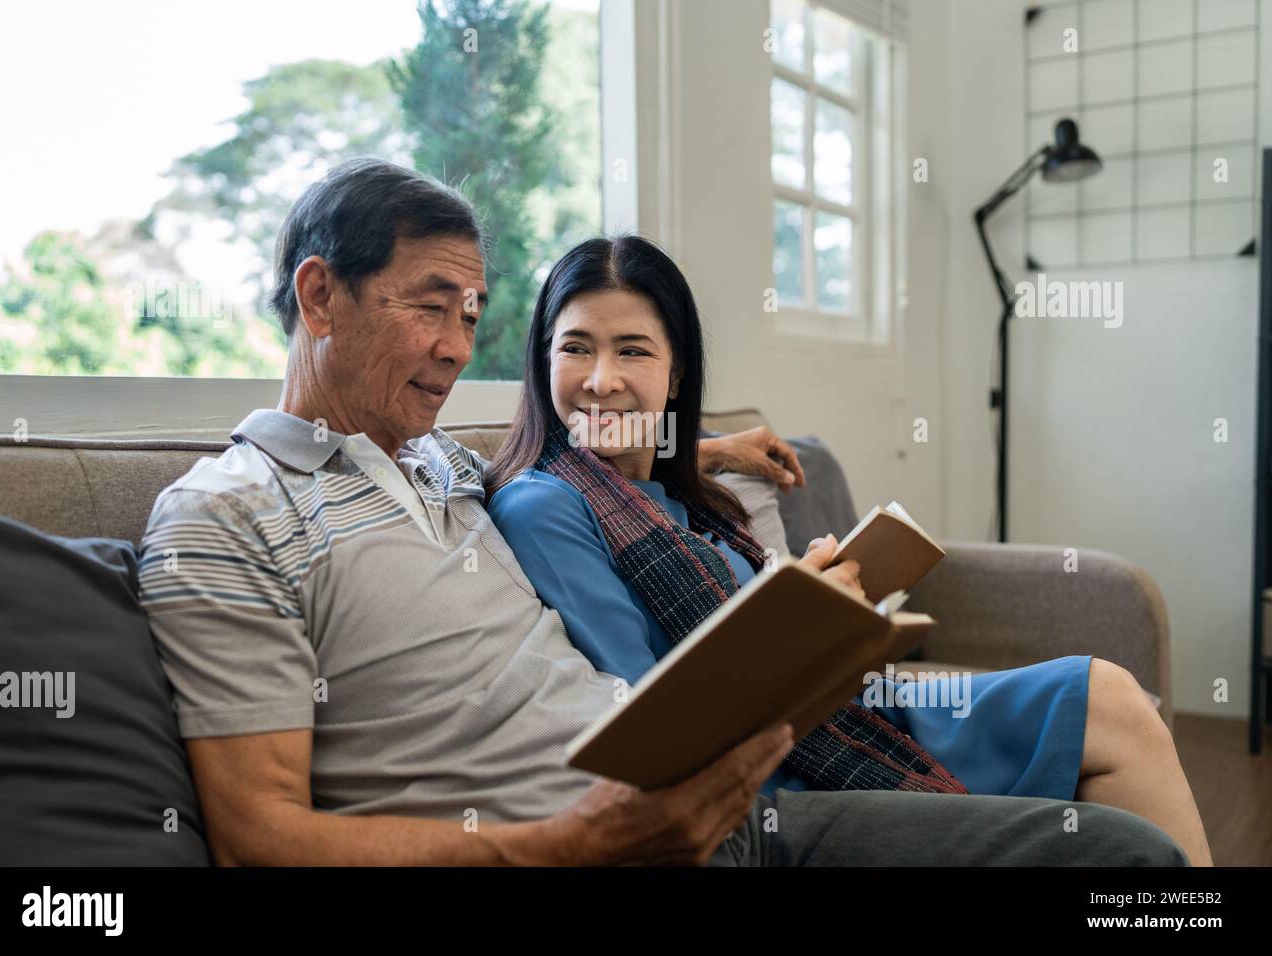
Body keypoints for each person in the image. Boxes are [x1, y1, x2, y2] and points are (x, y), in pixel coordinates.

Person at [137, 159, 1191, 866]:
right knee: (1116, 857)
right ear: (319, 297)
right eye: (429, 306)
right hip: (608, 843)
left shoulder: (442, 468)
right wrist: (567, 842)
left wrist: (706, 447)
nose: (460, 348)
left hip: (715, 801)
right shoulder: (225, 515)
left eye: (472, 313)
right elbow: (256, 833)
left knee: (1109, 845)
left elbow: (580, 453)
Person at [485, 234, 1213, 866]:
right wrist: (798, 629)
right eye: (575, 348)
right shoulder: (544, 505)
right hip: (771, 769)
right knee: (1121, 834)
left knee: (1109, 695)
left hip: (841, 711)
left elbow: (648, 473)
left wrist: (816, 607)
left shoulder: (676, 498)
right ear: (542, 362)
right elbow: (656, 721)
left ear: (675, 377)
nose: (601, 379)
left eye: (632, 351)